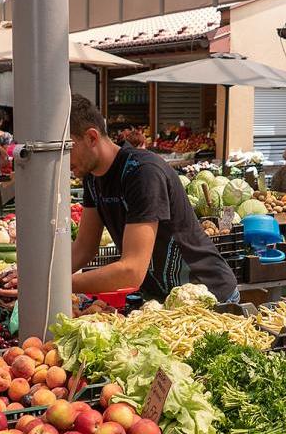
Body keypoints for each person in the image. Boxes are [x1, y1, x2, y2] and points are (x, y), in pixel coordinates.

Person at [69, 94, 238, 303]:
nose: (61, 159)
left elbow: (132, 270)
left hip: (208, 295)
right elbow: (84, 247)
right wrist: (38, 278)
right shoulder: (92, 178)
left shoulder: (142, 173)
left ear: (92, 138)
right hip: (162, 300)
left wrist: (60, 285)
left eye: (67, 148)